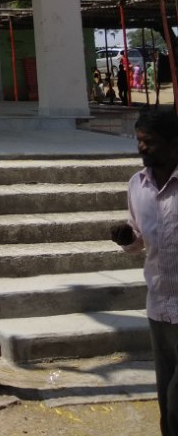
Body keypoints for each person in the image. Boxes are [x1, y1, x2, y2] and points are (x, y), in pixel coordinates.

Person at [111, 108, 178, 436]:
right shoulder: (136, 185)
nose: (142, 147)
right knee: (166, 399)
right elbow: (139, 238)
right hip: (159, 307)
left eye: (149, 141)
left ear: (174, 143)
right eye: (138, 140)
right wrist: (128, 238)